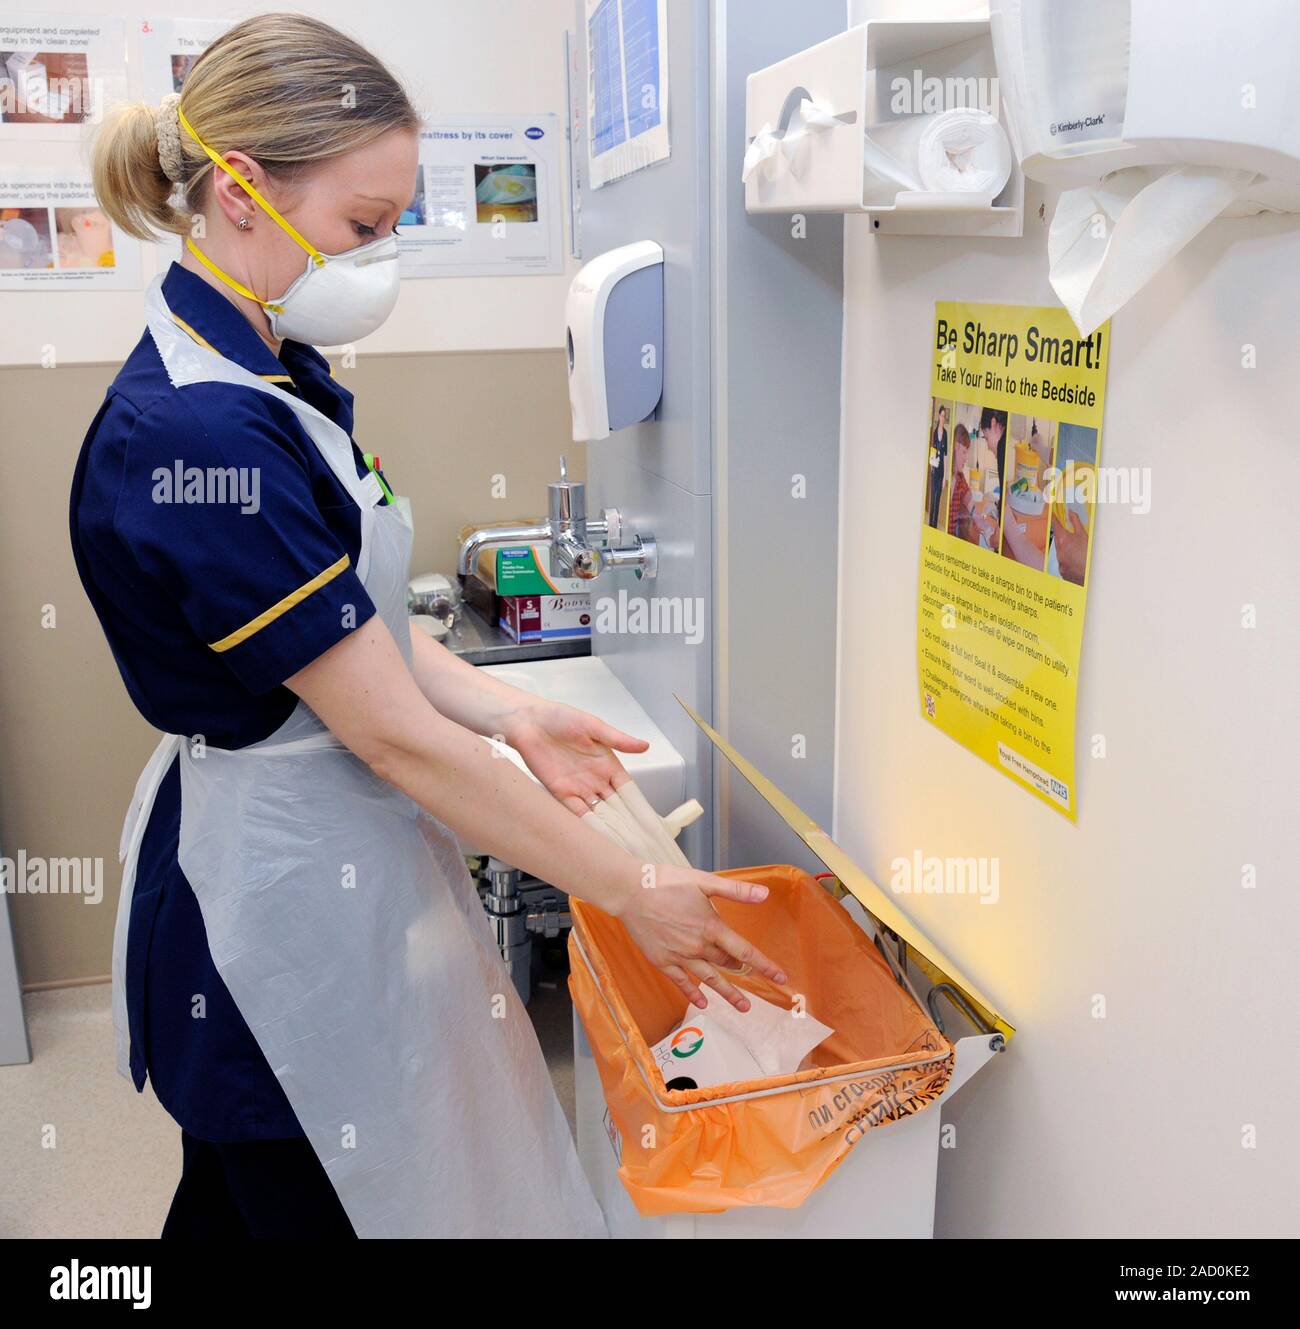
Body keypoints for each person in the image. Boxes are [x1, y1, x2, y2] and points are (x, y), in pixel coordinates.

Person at [72, 13, 783, 1240]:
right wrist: (629, 892)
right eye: (362, 226)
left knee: (256, 1196)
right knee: (287, 1189)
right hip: (265, 893)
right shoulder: (205, 436)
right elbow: (389, 731)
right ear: (241, 192)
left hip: (309, 850)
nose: (384, 257)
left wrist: (516, 710)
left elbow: (358, 633)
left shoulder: (269, 373)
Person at [927, 404, 948, 528]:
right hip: (934, 470)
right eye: (941, 415)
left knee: (938, 499)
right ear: (938, 416)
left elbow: (945, 456)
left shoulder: (945, 434)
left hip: (941, 472)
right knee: (932, 499)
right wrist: (931, 467)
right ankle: (930, 525)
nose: (943, 418)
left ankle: (934, 526)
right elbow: (932, 452)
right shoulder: (935, 433)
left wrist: (945, 476)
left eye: (944, 416)